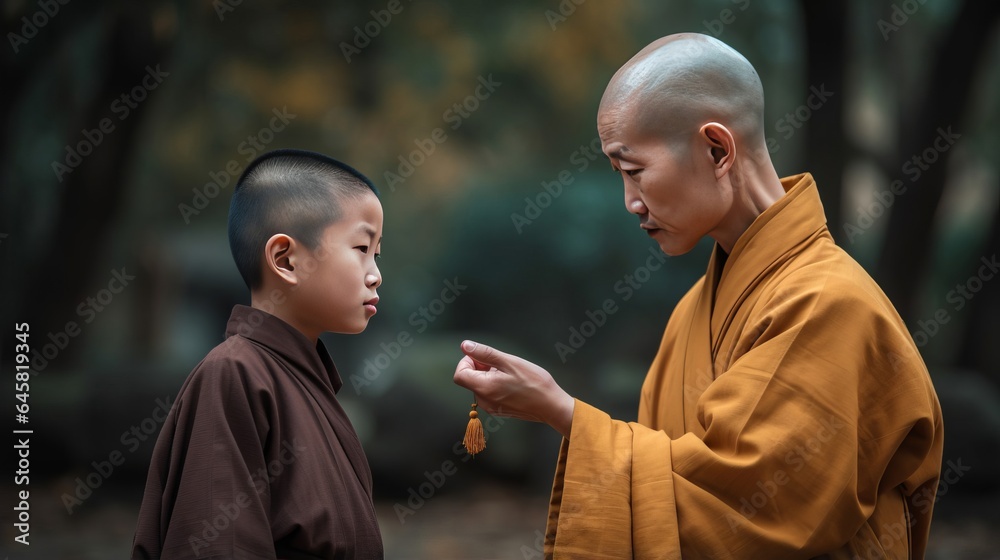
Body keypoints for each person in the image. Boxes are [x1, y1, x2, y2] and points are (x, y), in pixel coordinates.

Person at [453, 33, 943, 558]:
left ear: (717, 149)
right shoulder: (692, 311)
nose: (630, 203)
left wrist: (563, 412)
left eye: (635, 171)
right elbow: (669, 489)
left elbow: (754, 511)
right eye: (620, 175)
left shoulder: (829, 304)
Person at [132, 149, 385, 559]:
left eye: (378, 253)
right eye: (361, 248)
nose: (376, 273)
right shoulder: (234, 375)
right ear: (285, 259)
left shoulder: (307, 380)